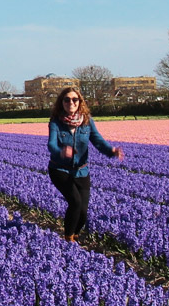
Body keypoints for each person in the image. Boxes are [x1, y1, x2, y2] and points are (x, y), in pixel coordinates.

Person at [45, 86, 123, 242]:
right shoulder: (56, 122)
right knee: (75, 202)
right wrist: (61, 151)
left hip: (81, 171)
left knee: (83, 211)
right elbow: (51, 144)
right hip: (60, 169)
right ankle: (68, 239)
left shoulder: (87, 122)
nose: (71, 102)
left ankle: (75, 234)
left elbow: (98, 141)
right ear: (62, 103)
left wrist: (111, 151)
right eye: (66, 100)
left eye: (75, 99)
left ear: (80, 102)